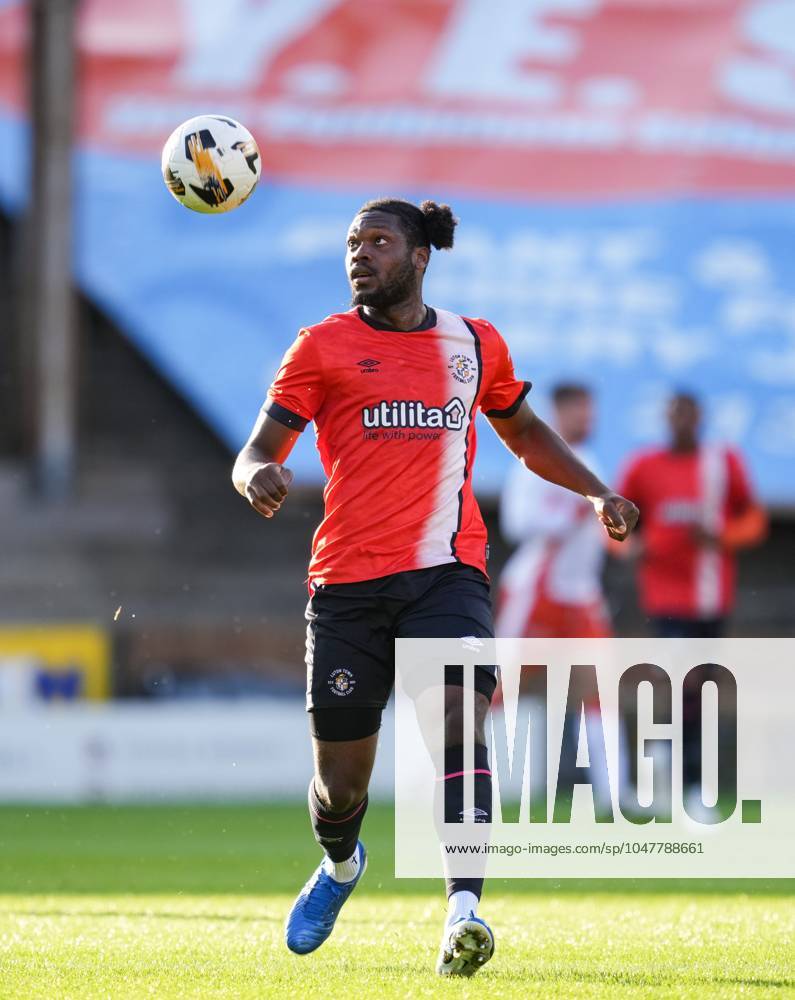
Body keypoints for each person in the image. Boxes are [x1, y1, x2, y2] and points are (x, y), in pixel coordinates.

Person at [232, 198, 639, 977]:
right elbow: (254, 450)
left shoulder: (472, 343)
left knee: (458, 719)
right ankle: (342, 867)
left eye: (377, 242)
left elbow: (521, 433)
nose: (360, 255)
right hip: (346, 585)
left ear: (419, 256)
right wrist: (258, 476)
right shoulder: (320, 347)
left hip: (446, 575)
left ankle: (463, 912)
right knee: (339, 784)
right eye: (352, 243)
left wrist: (593, 491)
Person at [617, 391, 767, 638]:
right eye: (677, 413)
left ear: (700, 417)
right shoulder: (642, 465)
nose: (682, 421)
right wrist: (628, 546)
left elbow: (754, 519)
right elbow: (610, 519)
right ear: (666, 418)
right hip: (663, 592)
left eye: (688, 414)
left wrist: (723, 537)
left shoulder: (722, 462)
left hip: (711, 591)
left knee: (704, 670)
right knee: (677, 663)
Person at [496, 383, 611, 639]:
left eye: (589, 409)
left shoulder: (589, 461)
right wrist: (570, 517)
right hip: (538, 586)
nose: (587, 417)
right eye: (579, 409)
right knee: (509, 673)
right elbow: (515, 524)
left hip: (581, 588)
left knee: (599, 676)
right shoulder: (534, 461)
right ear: (558, 411)